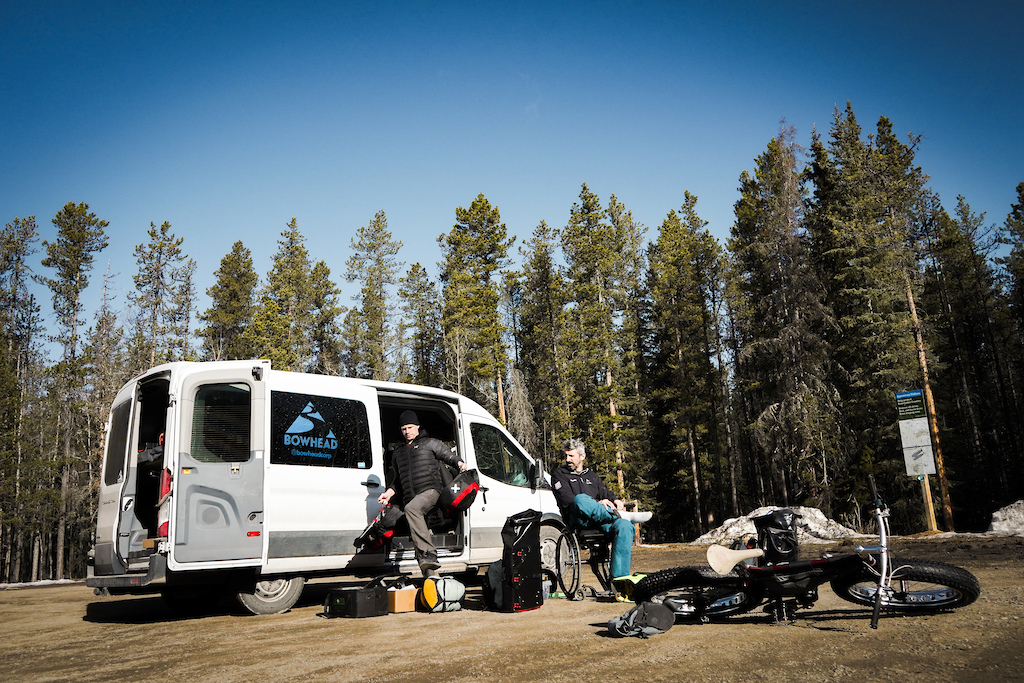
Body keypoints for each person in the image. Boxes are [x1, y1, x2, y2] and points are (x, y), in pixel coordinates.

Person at [378, 410, 467, 577]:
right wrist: (389, 493)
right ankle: (432, 581)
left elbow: (448, 455)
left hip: (431, 491)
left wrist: (460, 464)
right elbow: (398, 480)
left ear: (418, 427)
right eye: (404, 429)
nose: (407, 431)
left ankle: (430, 554)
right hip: (412, 498)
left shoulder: (430, 444)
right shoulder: (398, 454)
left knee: (411, 509)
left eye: (410, 427)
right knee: (416, 532)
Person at [551, 438, 652, 583]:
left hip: (601, 521)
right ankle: (620, 515)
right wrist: (599, 503)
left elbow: (606, 494)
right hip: (578, 520)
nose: (567, 459)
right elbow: (567, 500)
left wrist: (615, 500)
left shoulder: (592, 476)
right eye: (566, 455)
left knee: (625, 526)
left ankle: (619, 581)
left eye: (571, 456)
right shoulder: (559, 474)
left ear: (582, 456)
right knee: (580, 499)